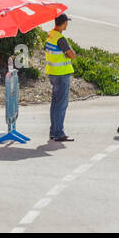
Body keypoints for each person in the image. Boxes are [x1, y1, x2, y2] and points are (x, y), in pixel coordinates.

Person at [44, 14, 76, 142]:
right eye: (66, 22)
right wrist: (68, 55)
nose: (67, 24)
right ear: (63, 23)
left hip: (52, 73)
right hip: (61, 74)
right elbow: (72, 55)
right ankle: (59, 133)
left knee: (55, 104)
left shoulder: (50, 35)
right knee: (61, 105)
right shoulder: (61, 38)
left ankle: (53, 132)